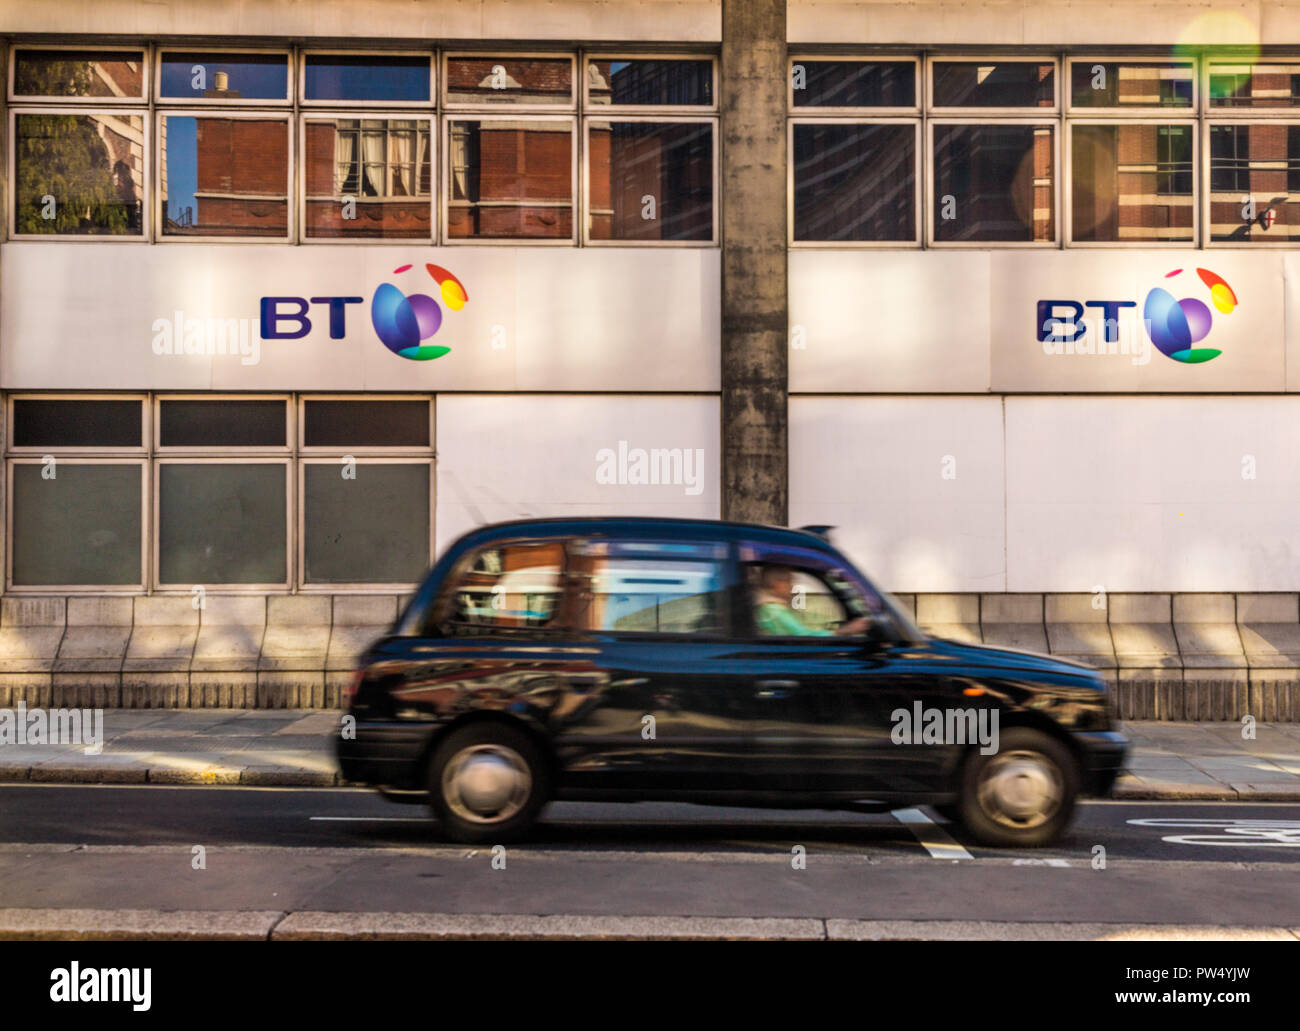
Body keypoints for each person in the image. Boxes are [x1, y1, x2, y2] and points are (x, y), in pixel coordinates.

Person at [752, 565, 870, 637]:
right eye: (789, 581)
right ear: (776, 584)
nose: (792, 586)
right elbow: (804, 637)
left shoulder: (768, 609)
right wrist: (845, 630)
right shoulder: (773, 611)